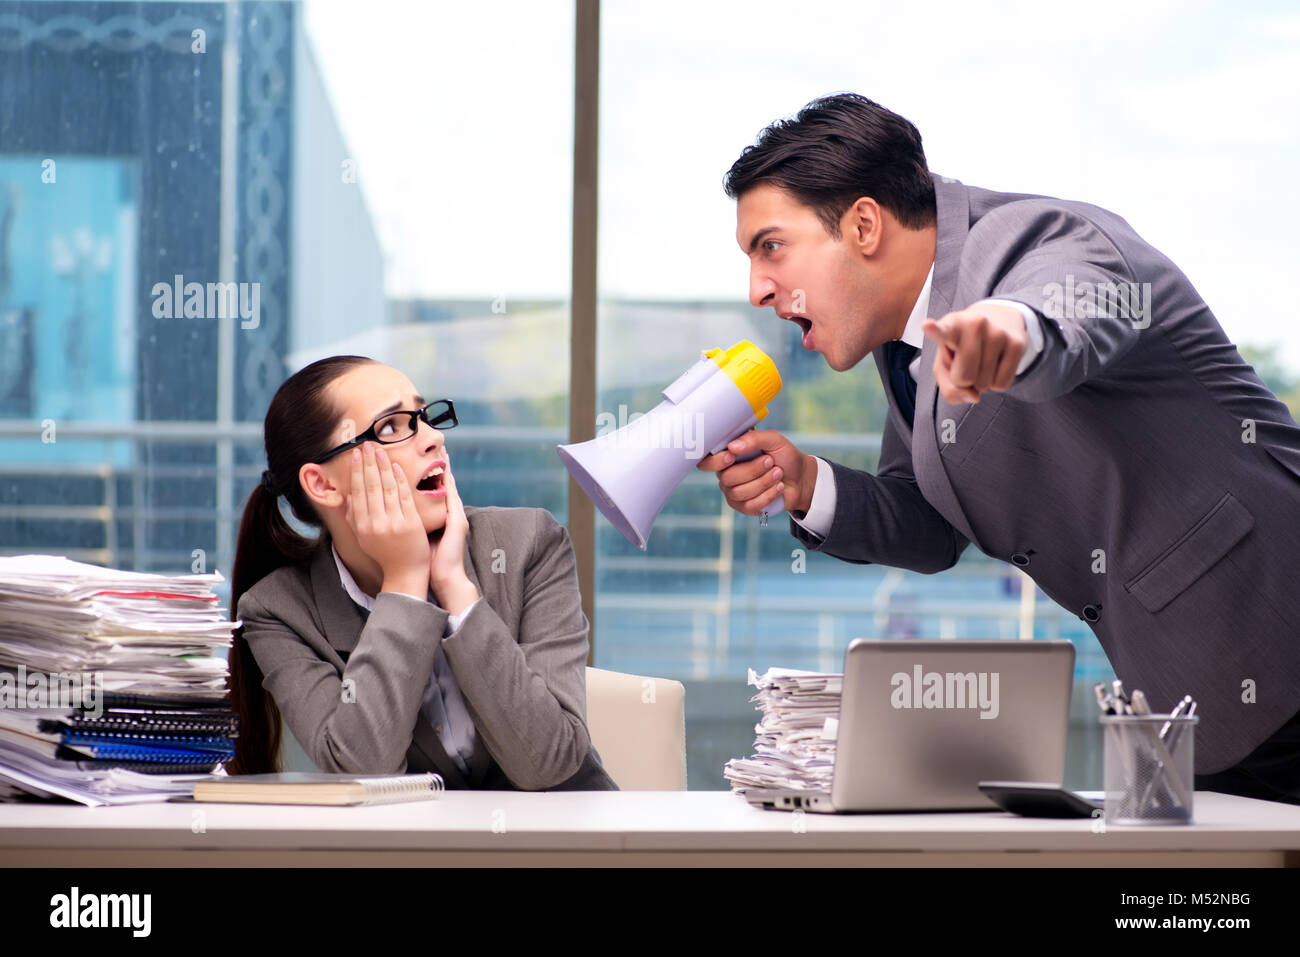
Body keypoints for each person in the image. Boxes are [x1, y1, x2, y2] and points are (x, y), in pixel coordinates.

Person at [699, 93, 1300, 804]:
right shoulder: (903, 351)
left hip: (1276, 636)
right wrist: (805, 482)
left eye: (770, 246)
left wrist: (1009, 329)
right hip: (1190, 696)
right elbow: (929, 525)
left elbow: (1073, 306)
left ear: (863, 224)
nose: (757, 288)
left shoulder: (1032, 239)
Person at [226, 355, 617, 790]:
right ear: (322, 484)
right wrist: (404, 584)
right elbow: (362, 771)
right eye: (391, 426)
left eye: (424, 416)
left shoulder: (530, 544)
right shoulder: (276, 610)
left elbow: (549, 760)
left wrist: (456, 589)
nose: (432, 438)